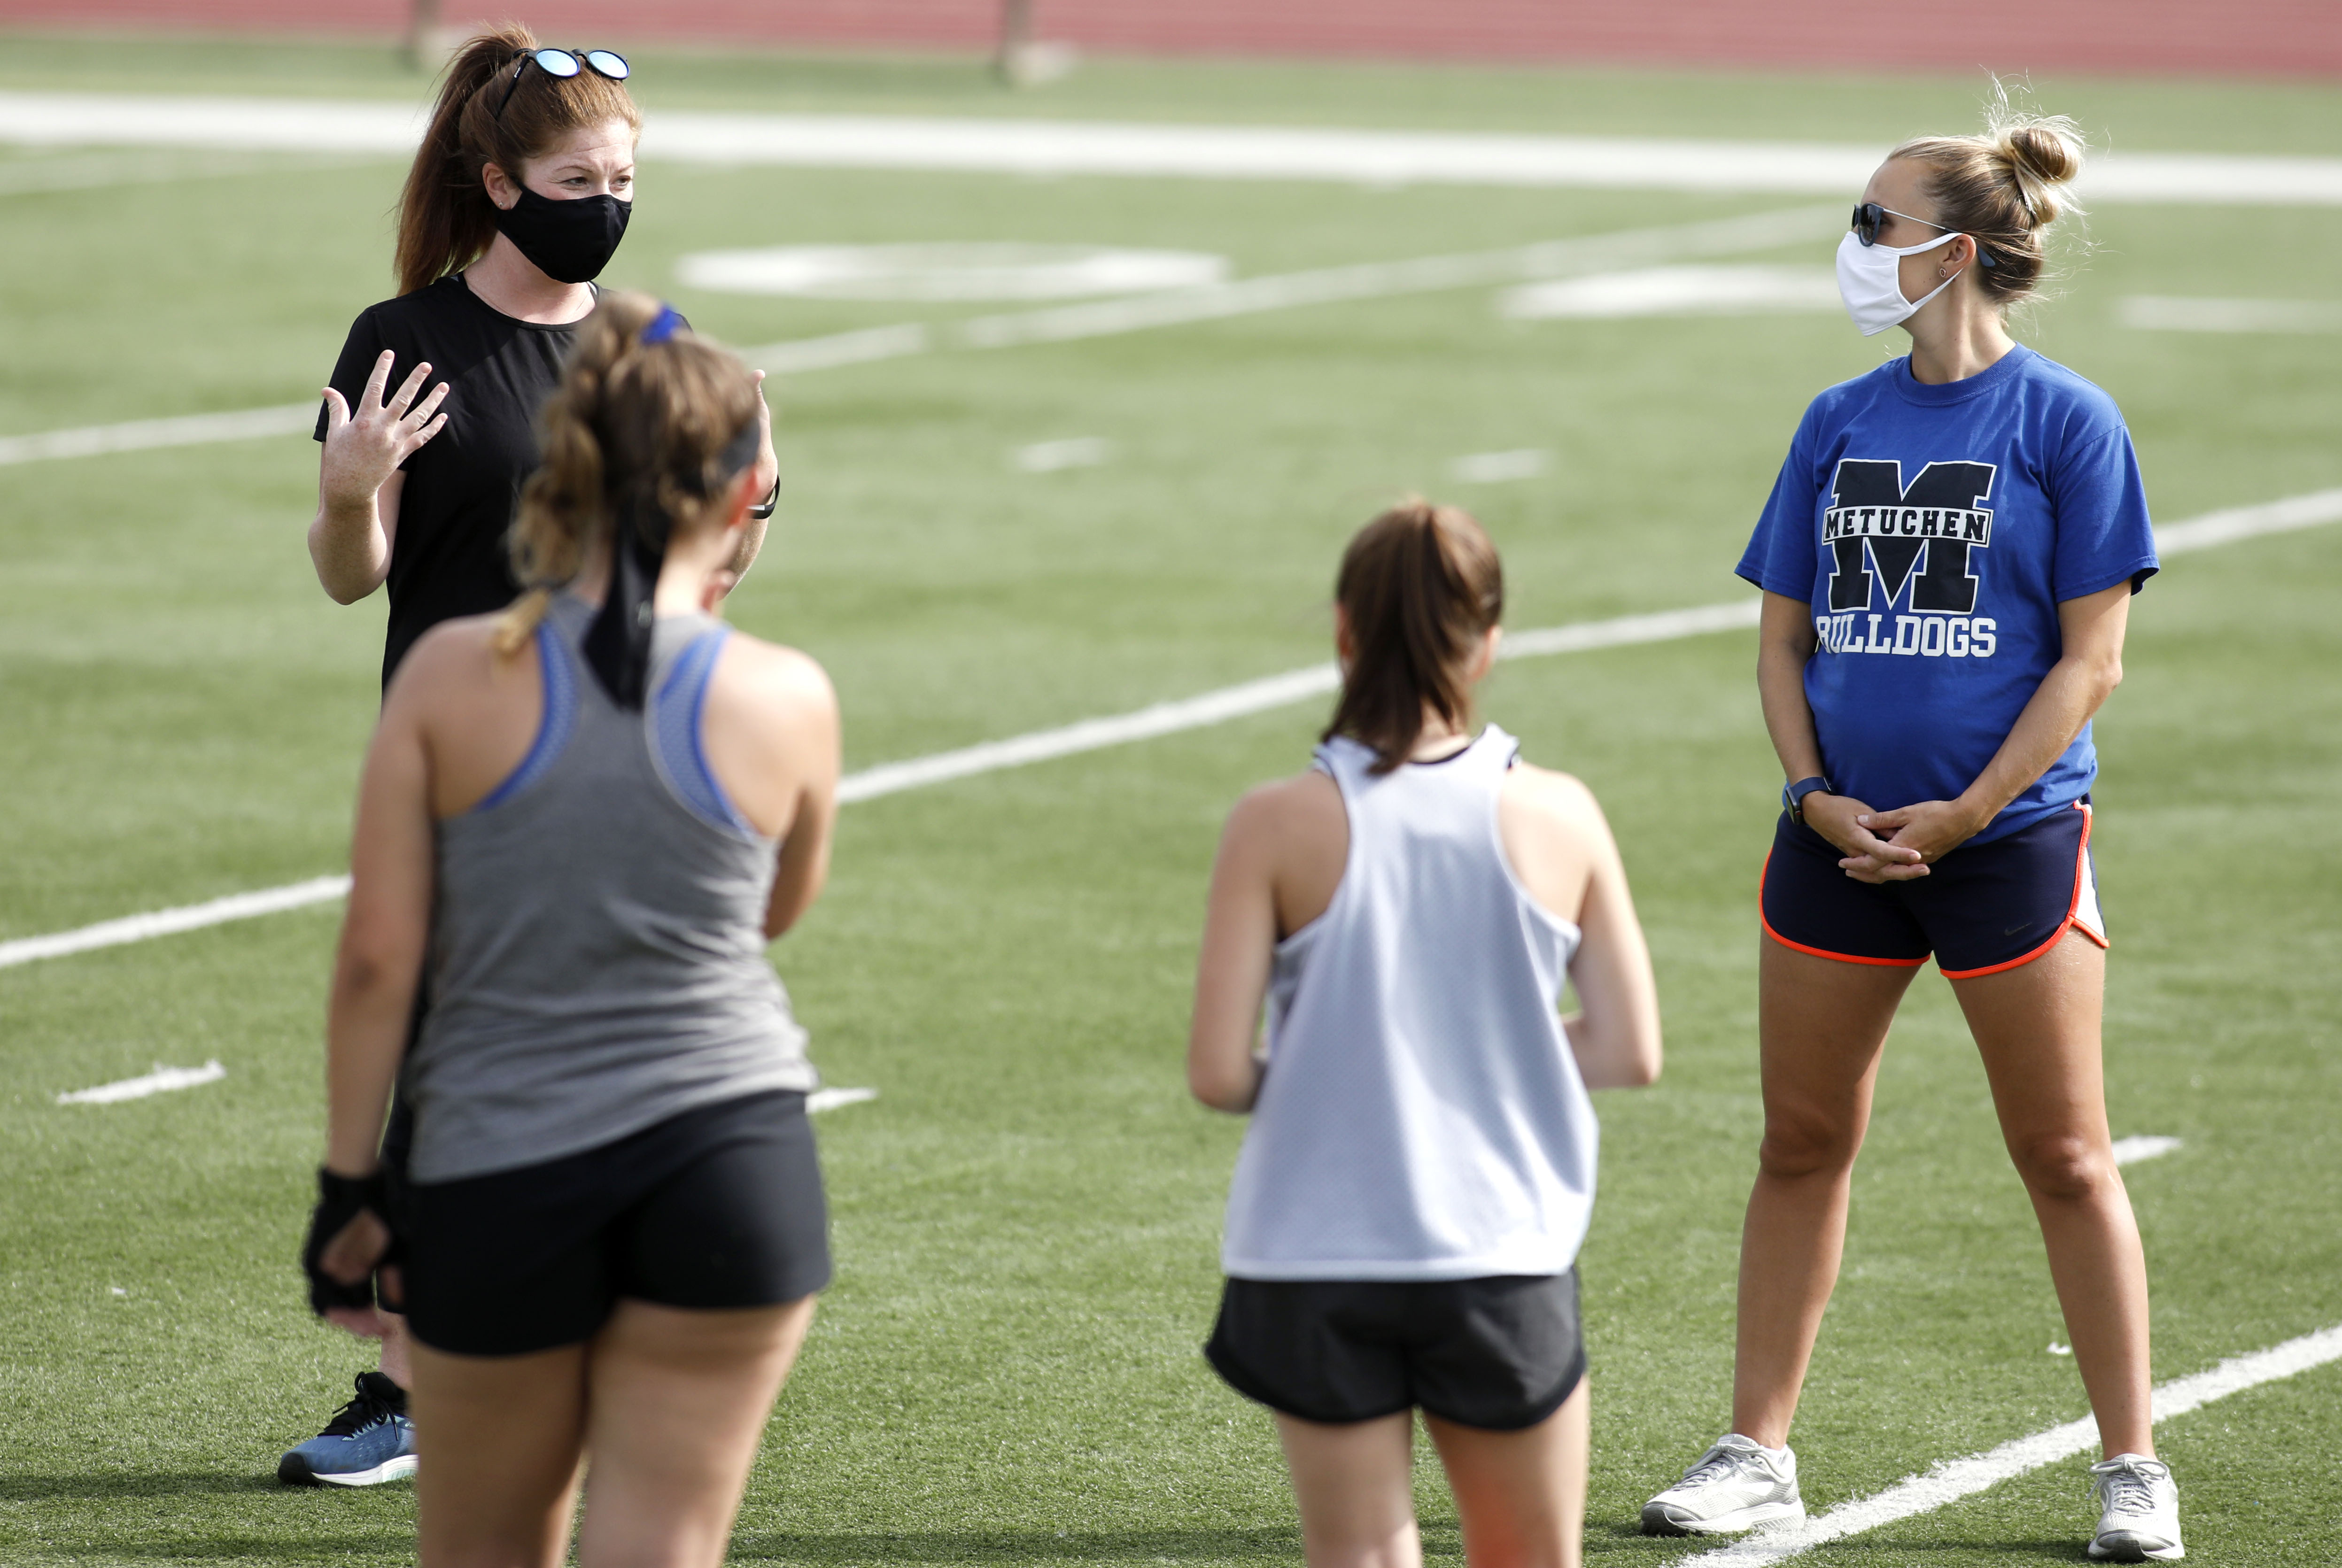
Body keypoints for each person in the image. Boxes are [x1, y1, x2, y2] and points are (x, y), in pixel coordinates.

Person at [1638, 106, 2180, 1563]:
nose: (1856, 244)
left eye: (1875, 222)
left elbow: (2089, 662)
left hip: (2007, 843)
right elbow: (1780, 636)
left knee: (2064, 1152)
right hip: (1832, 844)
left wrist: (1965, 812)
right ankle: (1759, 1446)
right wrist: (1817, 794)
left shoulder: (2068, 419)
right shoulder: (1836, 420)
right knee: (1802, 1139)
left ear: (1956, 249)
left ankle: (2131, 1465)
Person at [284, 24, 779, 1485]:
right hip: (452, 761)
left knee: (613, 1053)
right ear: (498, 182)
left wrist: (748, 516)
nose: (610, 199)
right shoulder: (404, 342)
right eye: (579, 175)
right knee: (446, 1056)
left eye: (625, 174)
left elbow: (703, 584)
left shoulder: (654, 345)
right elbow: (347, 578)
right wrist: (347, 492)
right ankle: (402, 1384)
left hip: (626, 757)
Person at [299, 291, 840, 1566]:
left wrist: (346, 1187)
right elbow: (767, 916)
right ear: (744, 486)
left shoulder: (448, 675)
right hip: (729, 1162)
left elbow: (380, 958)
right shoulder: (788, 697)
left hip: (502, 1161)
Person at [1187, 502, 1664, 1568]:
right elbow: (1631, 1048)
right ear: (1487, 641)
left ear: (1346, 630)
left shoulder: (1271, 821)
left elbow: (1220, 1073)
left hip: (1311, 1252)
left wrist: (1347, 1068)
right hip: (1499, 1245)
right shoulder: (1561, 812)